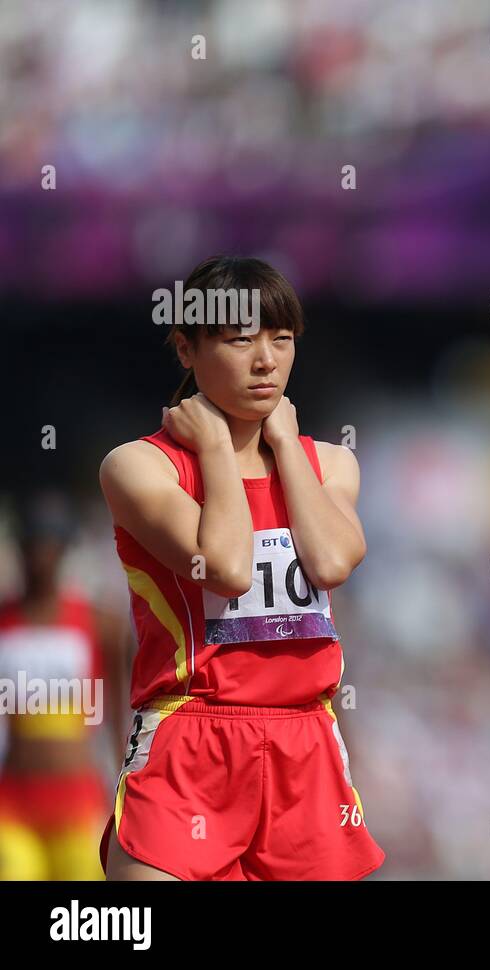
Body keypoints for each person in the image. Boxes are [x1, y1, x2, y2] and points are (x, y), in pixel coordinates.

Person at [96, 255, 385, 880]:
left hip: (305, 749)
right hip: (190, 741)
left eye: (282, 340)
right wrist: (218, 450)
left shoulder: (329, 463)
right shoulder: (140, 467)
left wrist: (283, 446)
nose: (266, 361)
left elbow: (333, 560)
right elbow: (225, 566)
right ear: (185, 349)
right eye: (239, 340)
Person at [0, 491, 126, 880]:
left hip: (79, 804)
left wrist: (127, 786)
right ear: (19, 548)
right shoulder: (4, 621)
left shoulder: (99, 623)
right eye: (32, 546)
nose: (40, 557)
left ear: (64, 551)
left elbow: (118, 712)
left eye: (49, 546)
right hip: (14, 805)